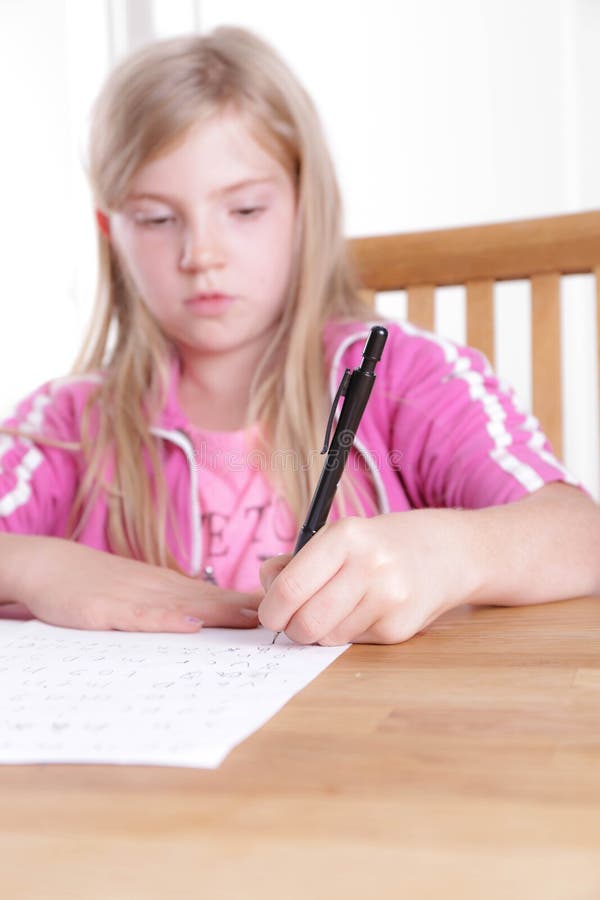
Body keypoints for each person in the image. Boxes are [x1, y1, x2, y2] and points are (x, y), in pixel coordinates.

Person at [1, 27, 598, 645]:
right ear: (110, 231)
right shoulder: (66, 425)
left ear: (303, 204)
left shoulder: (411, 379)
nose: (201, 254)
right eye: (156, 219)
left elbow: (582, 534)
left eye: (245, 210)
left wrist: (446, 554)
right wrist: (35, 566)